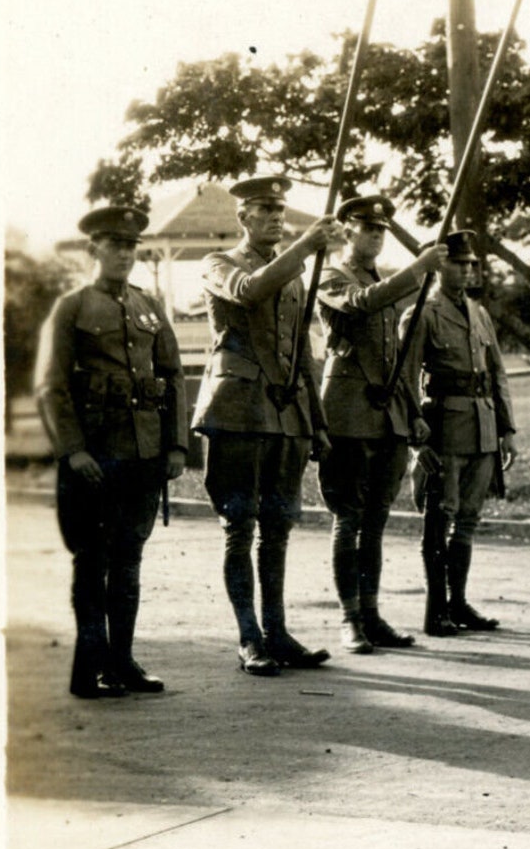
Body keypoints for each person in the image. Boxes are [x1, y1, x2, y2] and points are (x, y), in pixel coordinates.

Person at [35, 203, 188, 698]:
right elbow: (50, 386)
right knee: (92, 562)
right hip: (95, 459)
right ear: (92, 249)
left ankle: (121, 661)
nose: (124, 253)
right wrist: (73, 451)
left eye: (130, 246)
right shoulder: (73, 307)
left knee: (128, 563)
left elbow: (172, 377)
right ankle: (89, 670)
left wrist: (176, 446)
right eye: (114, 244)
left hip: (143, 457)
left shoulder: (149, 306)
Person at [192, 176, 343, 677]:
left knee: (278, 527)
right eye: (264, 210)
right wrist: (305, 245)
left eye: (280, 209)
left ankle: (277, 632)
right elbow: (250, 292)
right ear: (243, 218)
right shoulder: (220, 264)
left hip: (285, 413)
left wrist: (315, 422)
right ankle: (249, 637)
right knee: (241, 526)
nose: (276, 217)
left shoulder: (294, 273)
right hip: (236, 409)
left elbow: (299, 349)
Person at [317, 195, 447, 652]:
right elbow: (358, 305)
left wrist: (412, 412)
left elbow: (393, 359)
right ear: (347, 230)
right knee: (348, 519)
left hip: (388, 416)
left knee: (375, 523)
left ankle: (371, 615)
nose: (375, 236)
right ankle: (349, 619)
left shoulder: (385, 282)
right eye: (368, 228)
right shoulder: (332, 276)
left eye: (381, 230)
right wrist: (417, 270)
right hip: (348, 414)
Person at [401, 230, 517, 636]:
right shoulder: (422, 312)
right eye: (457, 263)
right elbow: (405, 377)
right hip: (445, 427)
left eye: (471, 264)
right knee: (440, 516)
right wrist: (417, 438)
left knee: (467, 520)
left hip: (483, 426)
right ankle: (435, 612)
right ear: (437, 264)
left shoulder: (479, 312)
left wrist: (507, 429)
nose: (467, 270)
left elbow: (497, 373)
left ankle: (459, 603)